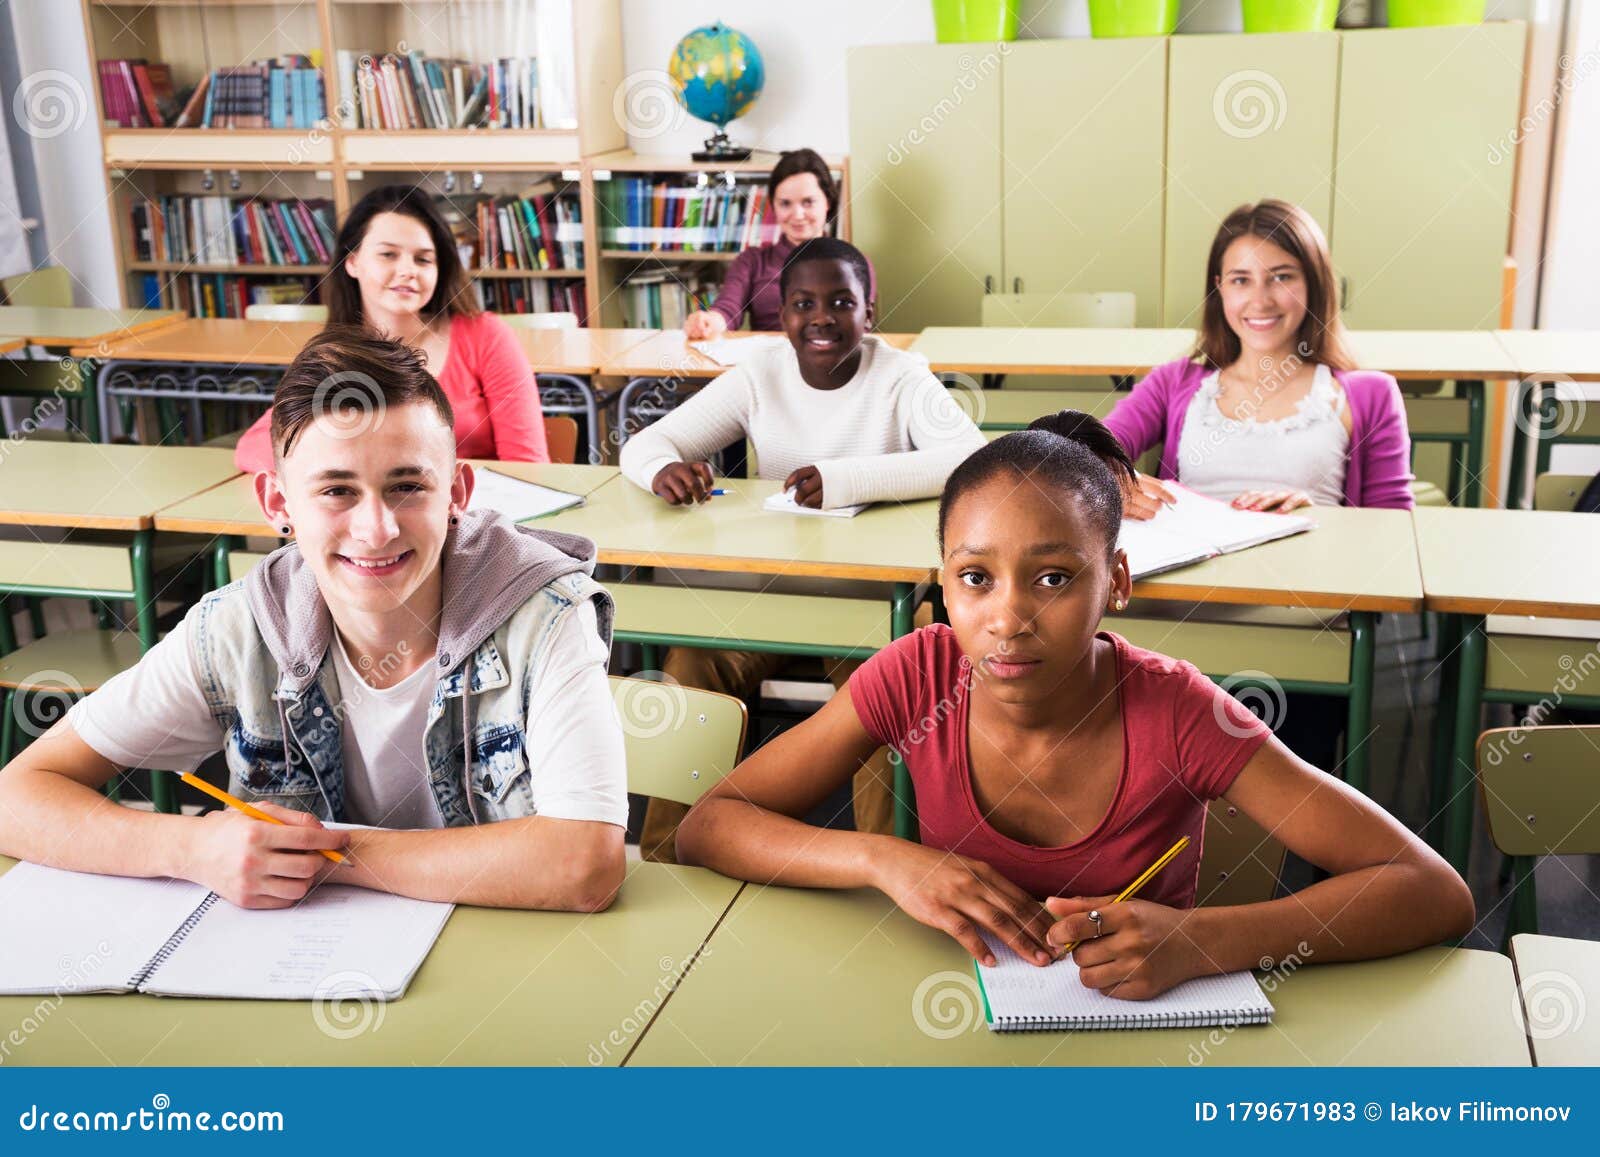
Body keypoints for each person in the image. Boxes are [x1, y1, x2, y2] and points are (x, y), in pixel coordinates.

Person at [676, 412, 1473, 999]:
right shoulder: (918, 675)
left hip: (1147, 1031)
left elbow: (1433, 890)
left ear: (1117, 582)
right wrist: (882, 857)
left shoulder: (1182, 709)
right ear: (943, 582)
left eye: (1054, 578)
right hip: (954, 1018)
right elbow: (708, 824)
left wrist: (1203, 939)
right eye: (976, 578)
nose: (1009, 618)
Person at [0, 330, 623, 912]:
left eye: (408, 486)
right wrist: (188, 848)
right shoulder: (238, 627)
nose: (376, 529)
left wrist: (325, 858)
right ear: (279, 503)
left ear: (458, 492)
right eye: (336, 491)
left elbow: (584, 865)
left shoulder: (546, 614)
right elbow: (16, 796)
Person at [620, 236, 984, 859]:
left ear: (869, 313)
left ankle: (890, 869)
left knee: (887, 697)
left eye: (841, 302)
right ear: (781, 313)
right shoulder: (761, 373)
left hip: (867, 605)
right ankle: (668, 858)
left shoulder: (900, 376)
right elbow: (648, 443)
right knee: (689, 665)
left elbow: (976, 460)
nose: (821, 317)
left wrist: (848, 477)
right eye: (802, 303)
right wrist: (660, 470)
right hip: (764, 592)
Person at [1107, 198, 1414, 519]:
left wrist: (1319, 516)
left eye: (1281, 277)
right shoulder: (1172, 382)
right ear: (1220, 288)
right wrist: (1121, 485)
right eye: (1241, 280)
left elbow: (1392, 526)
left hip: (1314, 565)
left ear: (1314, 283)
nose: (1260, 300)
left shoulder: (1373, 394)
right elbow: (1084, 457)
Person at [234, 184, 549, 472]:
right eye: (388, 254)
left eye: (423, 260)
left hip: (477, 519)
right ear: (353, 262)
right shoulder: (333, 353)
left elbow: (528, 463)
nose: (407, 271)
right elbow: (258, 446)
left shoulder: (485, 336)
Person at [683, 148, 874, 337]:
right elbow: (727, 310)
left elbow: (860, 330)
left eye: (808, 202)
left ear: (828, 202)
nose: (797, 215)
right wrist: (709, 322)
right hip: (771, 363)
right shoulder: (752, 261)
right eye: (785, 203)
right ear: (773, 206)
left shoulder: (855, 264)